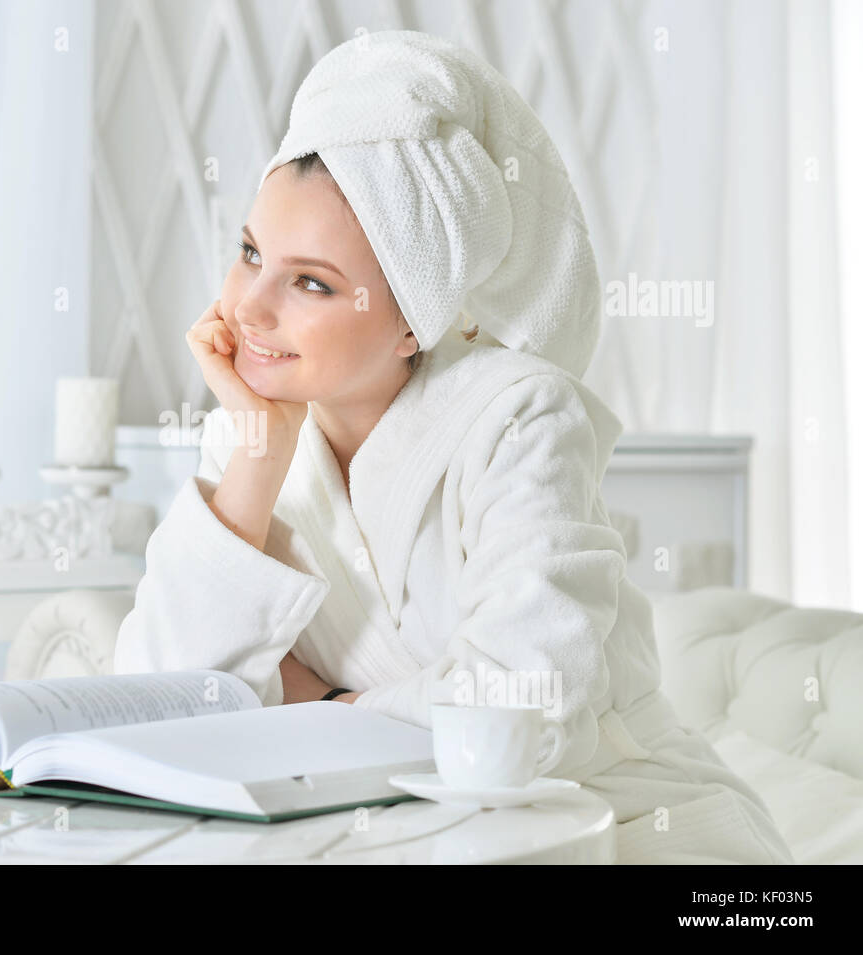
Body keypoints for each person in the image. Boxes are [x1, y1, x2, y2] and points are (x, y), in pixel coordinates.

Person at [114, 30, 793, 865]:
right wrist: (256, 460)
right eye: (251, 252)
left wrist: (310, 701)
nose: (249, 307)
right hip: (388, 835)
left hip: (628, 830)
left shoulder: (520, 418)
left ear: (412, 320)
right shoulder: (254, 428)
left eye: (311, 282)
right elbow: (154, 702)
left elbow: (523, 701)